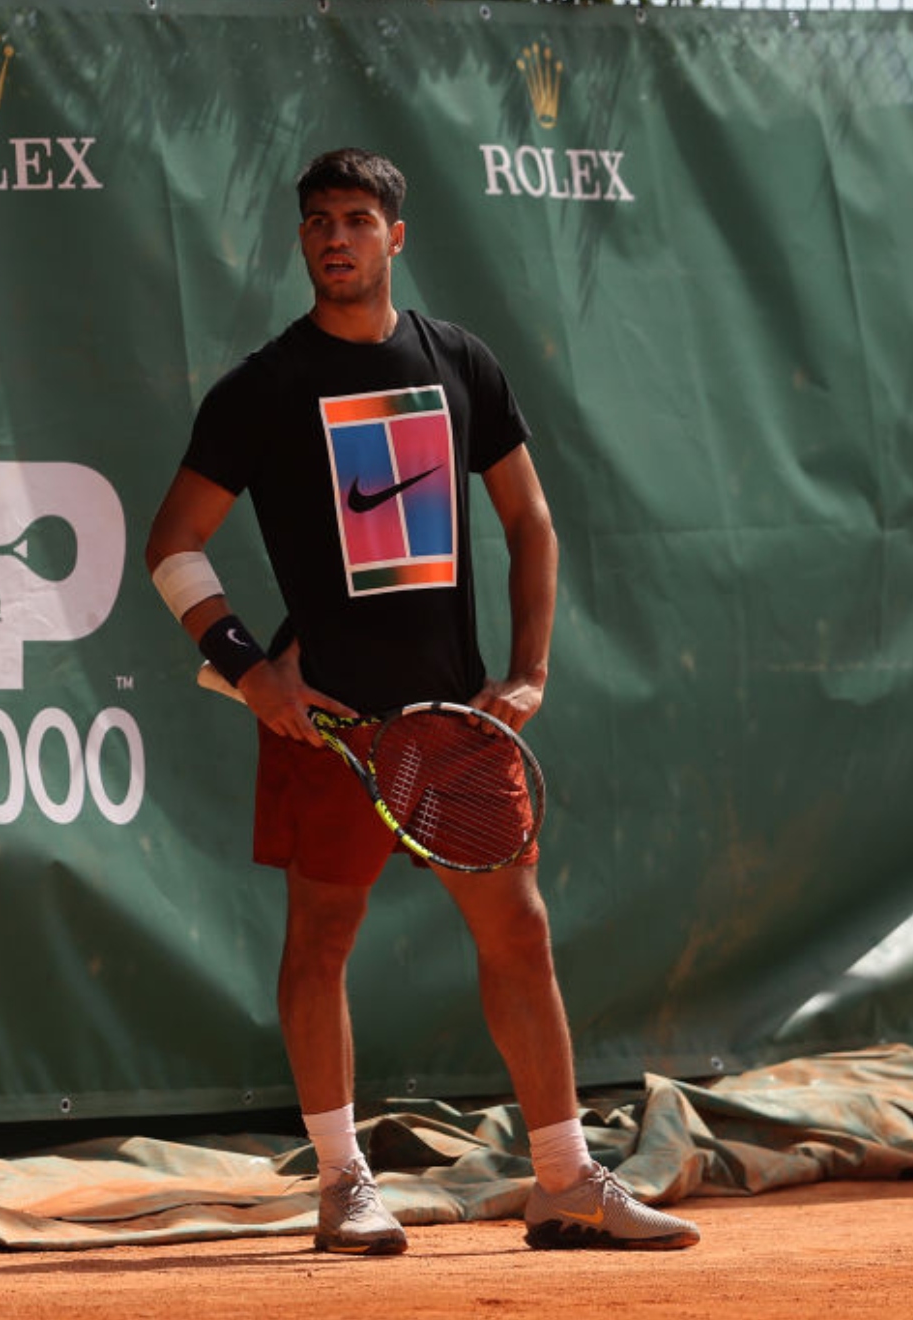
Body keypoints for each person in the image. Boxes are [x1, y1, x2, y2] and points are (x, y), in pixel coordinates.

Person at [143, 147, 700, 1256]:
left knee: (521, 934)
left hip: (454, 720)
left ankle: (564, 1180)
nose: (334, 238)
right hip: (328, 720)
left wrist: (529, 669)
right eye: (316, 221)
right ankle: (345, 1184)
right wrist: (253, 670)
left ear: (398, 236)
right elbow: (174, 548)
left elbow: (531, 522)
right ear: (301, 239)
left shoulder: (463, 363)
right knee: (322, 938)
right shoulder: (262, 389)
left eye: (357, 219)